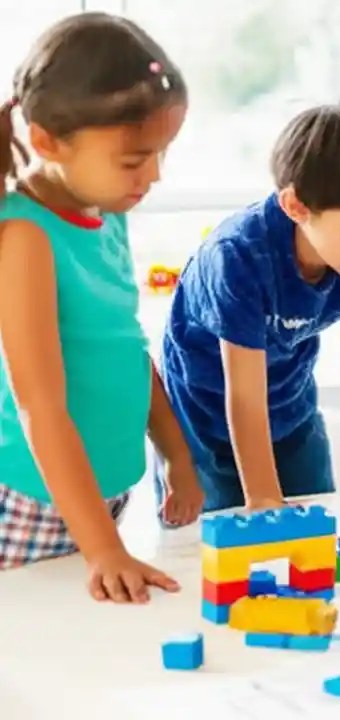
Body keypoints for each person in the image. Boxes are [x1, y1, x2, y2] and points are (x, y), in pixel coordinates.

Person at [0, 13, 201, 602]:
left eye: (161, 153)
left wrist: (177, 453)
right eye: (134, 160)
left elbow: (125, 347)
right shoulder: (26, 239)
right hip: (32, 507)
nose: (154, 175)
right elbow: (39, 406)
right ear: (46, 140)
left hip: (102, 501)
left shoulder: (106, 213)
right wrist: (106, 549)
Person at [161, 97, 340, 513]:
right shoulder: (236, 257)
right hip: (205, 423)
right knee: (216, 549)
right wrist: (262, 499)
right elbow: (243, 393)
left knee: (315, 534)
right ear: (296, 207)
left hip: (291, 408)